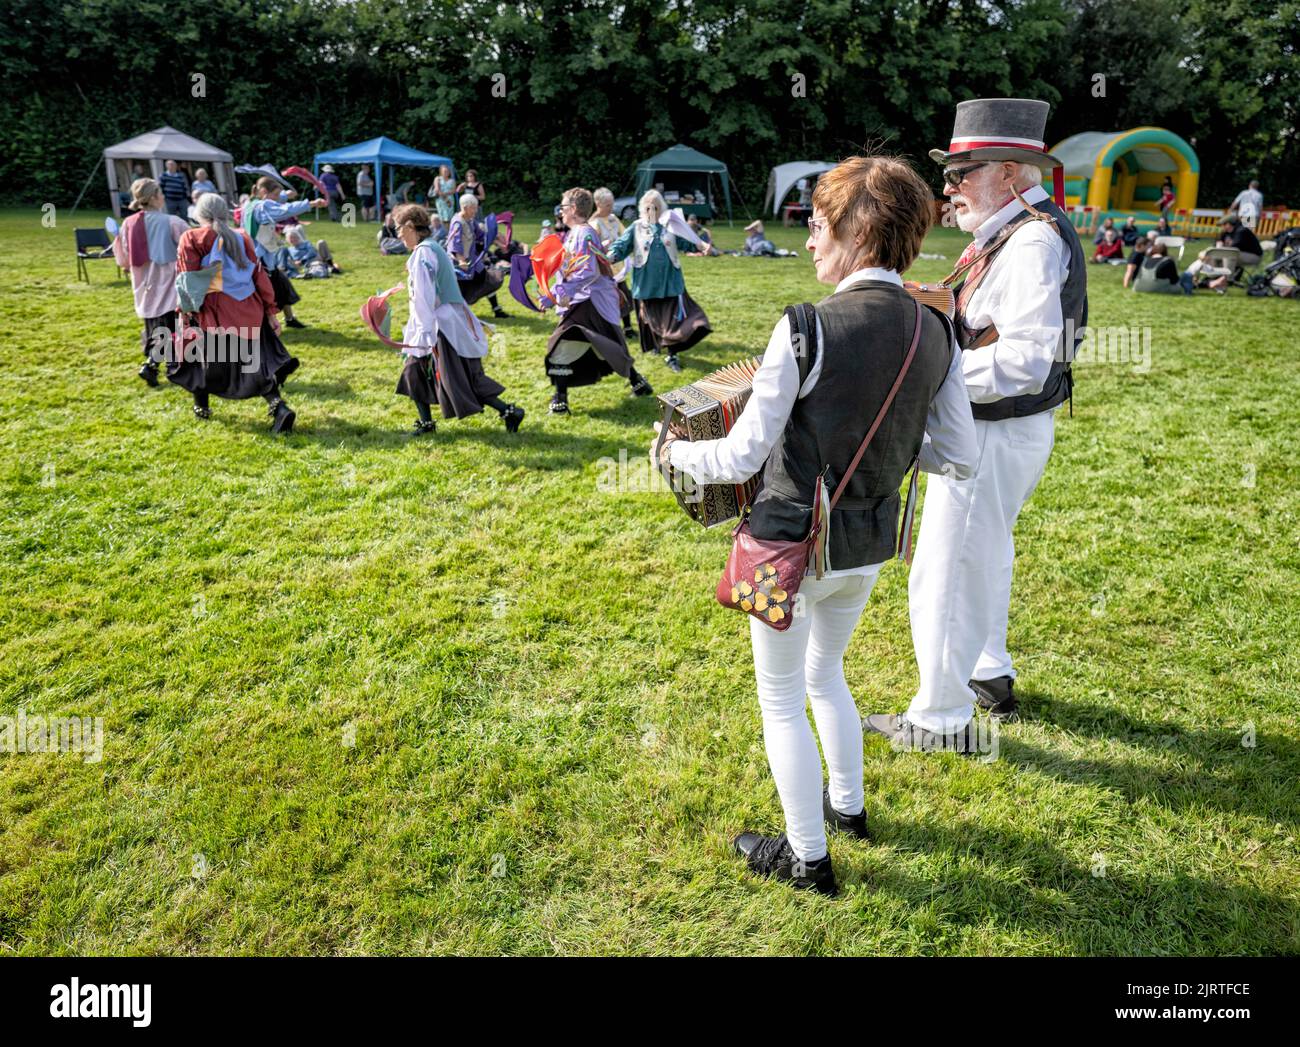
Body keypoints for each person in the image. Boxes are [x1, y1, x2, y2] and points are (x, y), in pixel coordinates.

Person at [654, 154, 977, 895]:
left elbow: (742, 450)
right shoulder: (938, 332)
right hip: (865, 549)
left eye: (821, 226)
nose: (808, 240)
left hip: (788, 547)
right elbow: (958, 454)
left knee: (780, 699)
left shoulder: (805, 326)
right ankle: (849, 809)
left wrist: (677, 450)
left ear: (860, 233)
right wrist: (891, 441)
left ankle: (808, 858)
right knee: (827, 674)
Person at [866, 97, 1087, 746]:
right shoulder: (1018, 232)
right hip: (1001, 429)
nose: (949, 187)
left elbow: (1023, 361)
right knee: (982, 555)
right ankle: (989, 672)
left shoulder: (1032, 243)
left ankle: (939, 718)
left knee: (947, 568)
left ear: (1013, 176)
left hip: (993, 428)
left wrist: (929, 383)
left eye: (964, 173)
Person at [389, 204, 524, 436]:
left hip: (439, 325)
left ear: (411, 226)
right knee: (416, 370)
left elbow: (424, 296)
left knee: (460, 377)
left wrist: (423, 333)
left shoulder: (424, 253)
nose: (398, 234)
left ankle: (509, 411)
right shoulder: (429, 249)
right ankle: (426, 424)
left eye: (399, 228)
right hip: (443, 321)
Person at [172, 193, 299, 433]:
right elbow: (258, 276)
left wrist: (185, 312)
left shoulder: (192, 237)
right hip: (248, 309)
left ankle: (202, 408)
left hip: (215, 313)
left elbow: (186, 280)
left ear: (200, 214)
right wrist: (270, 312)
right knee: (250, 364)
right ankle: (278, 406)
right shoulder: (242, 237)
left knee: (200, 360)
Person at [541, 187, 653, 413]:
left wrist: (560, 292)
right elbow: (571, 268)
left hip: (591, 301)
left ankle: (560, 399)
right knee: (605, 344)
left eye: (563, 207)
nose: (560, 212)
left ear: (573, 209)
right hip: (586, 299)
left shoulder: (583, 233)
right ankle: (638, 382)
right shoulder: (576, 233)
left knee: (562, 344)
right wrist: (554, 290)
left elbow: (587, 271)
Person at [607, 189, 712, 374]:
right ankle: (658, 345)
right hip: (647, 284)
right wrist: (612, 255)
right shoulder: (637, 227)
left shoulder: (671, 225)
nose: (651, 210)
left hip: (670, 282)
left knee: (673, 321)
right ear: (642, 208)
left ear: (662, 208)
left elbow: (687, 241)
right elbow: (622, 246)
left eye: (655, 207)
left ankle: (672, 354)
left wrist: (701, 245)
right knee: (653, 319)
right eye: (648, 207)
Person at [112, 177, 191, 388]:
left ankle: (154, 364)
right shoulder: (173, 222)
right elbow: (190, 246)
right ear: (155, 197)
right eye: (161, 193)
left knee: (156, 324)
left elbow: (122, 256)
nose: (163, 196)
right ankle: (165, 365)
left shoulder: (128, 223)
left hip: (143, 279)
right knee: (170, 324)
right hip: (168, 278)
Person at [244, 176, 327, 327]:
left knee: (281, 286)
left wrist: (284, 195)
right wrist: (311, 203)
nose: (277, 199)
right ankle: (268, 326)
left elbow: (274, 201)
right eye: (275, 194)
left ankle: (289, 319)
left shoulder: (250, 204)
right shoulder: (262, 207)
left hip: (259, 258)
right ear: (263, 191)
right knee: (267, 294)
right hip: (261, 261)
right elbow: (284, 210)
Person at [446, 194, 508, 318]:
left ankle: (496, 309)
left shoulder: (470, 220)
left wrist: (497, 241)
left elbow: (481, 235)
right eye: (473, 208)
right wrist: (461, 260)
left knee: (487, 278)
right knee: (463, 290)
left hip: (473, 261)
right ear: (464, 207)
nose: (475, 211)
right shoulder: (458, 223)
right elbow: (454, 243)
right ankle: (457, 313)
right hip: (461, 265)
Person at [590, 187, 635, 338]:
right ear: (598, 203)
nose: (611, 207)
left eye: (612, 204)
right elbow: (592, 248)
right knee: (611, 301)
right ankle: (609, 331)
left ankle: (628, 328)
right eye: (607, 205)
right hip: (605, 271)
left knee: (625, 298)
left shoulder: (614, 219)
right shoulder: (593, 224)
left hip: (619, 269)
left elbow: (626, 235)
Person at [1179, 216, 1263, 293]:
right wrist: (1206, 252)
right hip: (1234, 254)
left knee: (1229, 255)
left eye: (1223, 225)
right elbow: (1215, 247)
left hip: (1253, 256)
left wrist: (1220, 247)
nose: (1221, 227)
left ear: (1228, 224)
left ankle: (1227, 280)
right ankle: (1213, 277)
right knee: (1213, 255)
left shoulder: (1242, 231)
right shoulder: (1225, 233)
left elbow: (1234, 247)